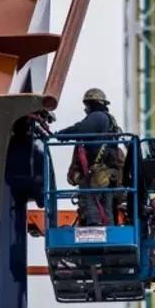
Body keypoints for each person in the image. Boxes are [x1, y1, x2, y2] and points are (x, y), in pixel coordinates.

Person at [56, 87, 125, 226]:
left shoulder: (97, 116)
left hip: (97, 171)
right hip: (109, 172)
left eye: (87, 105)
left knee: (90, 199)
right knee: (106, 205)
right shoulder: (110, 121)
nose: (86, 108)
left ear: (92, 103)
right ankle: (109, 232)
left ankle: (95, 230)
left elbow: (81, 129)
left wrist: (62, 135)